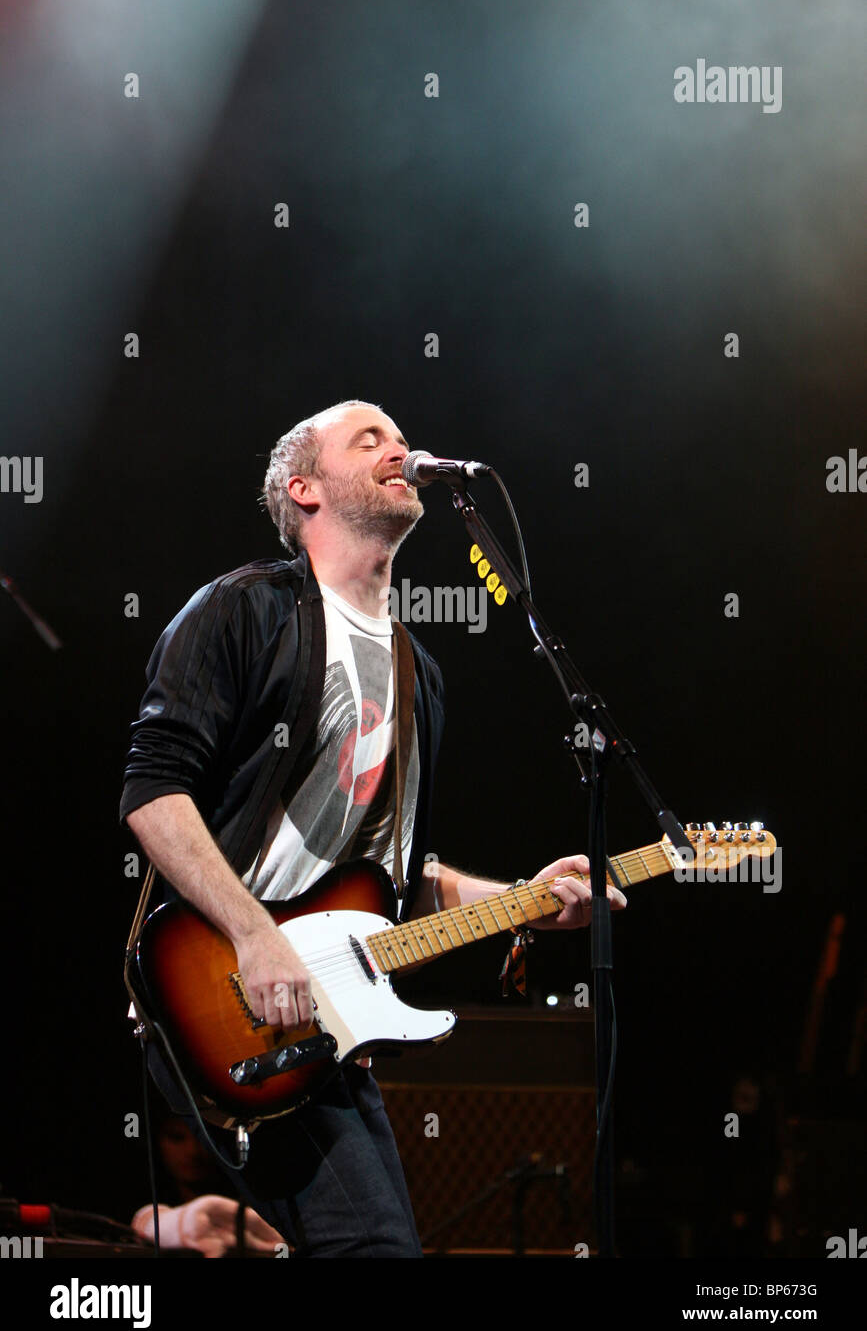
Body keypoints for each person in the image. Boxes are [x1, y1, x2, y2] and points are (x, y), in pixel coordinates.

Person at [120, 399, 626, 1257]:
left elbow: (399, 873)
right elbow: (151, 792)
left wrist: (524, 901)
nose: (401, 448)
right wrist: (254, 937)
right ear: (304, 489)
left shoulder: (416, 670)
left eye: (400, 436)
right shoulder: (244, 610)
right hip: (229, 995)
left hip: (327, 1016)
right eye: (370, 439)